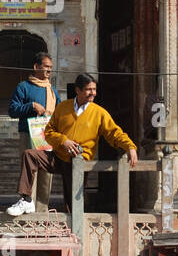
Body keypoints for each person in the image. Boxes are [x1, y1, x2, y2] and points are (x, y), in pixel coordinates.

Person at [8, 73, 137, 218]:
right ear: (78, 90)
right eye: (88, 89)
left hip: (79, 161)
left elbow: (115, 133)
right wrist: (63, 141)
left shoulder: (99, 113)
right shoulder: (63, 107)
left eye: (94, 89)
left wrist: (130, 147)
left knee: (73, 202)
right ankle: (26, 199)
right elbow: (49, 132)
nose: (93, 93)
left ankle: (74, 235)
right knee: (30, 155)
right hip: (58, 156)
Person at [8, 52, 61, 211]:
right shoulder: (23, 86)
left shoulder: (52, 90)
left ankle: (42, 210)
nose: (49, 71)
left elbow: (59, 111)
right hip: (28, 134)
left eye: (51, 68)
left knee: (46, 173)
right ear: (36, 67)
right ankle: (27, 204)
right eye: (46, 67)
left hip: (47, 135)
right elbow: (12, 110)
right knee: (29, 169)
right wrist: (31, 106)